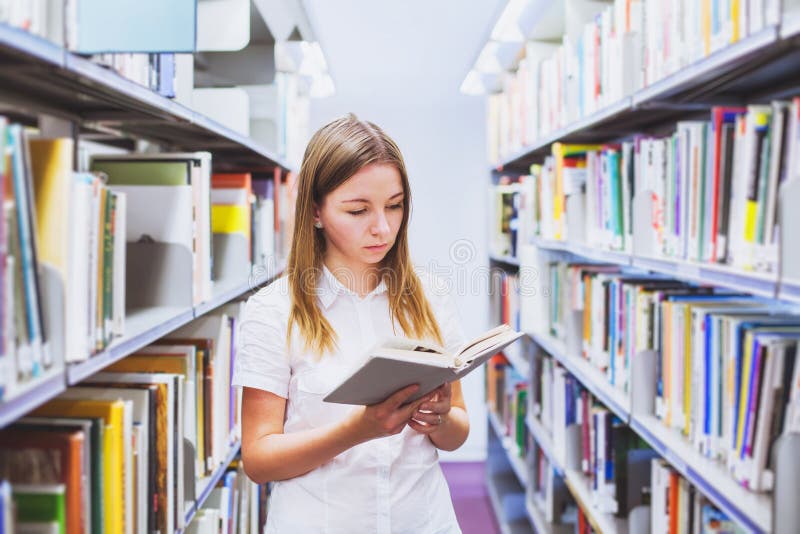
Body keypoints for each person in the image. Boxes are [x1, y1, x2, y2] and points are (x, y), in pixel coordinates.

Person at [232, 114, 470, 533]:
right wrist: (359, 430)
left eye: (395, 206)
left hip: (423, 520)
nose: (382, 227)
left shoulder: (430, 297)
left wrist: (441, 418)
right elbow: (259, 460)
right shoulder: (273, 310)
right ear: (315, 212)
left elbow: (457, 434)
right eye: (358, 210)